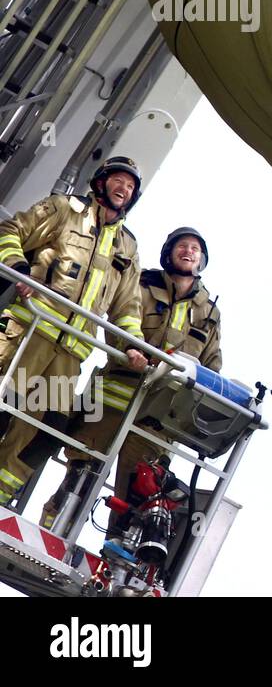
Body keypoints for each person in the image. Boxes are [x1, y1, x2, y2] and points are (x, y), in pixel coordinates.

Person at [42, 226, 222, 533]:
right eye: (182, 245)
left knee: (139, 489)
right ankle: (51, 531)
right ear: (169, 252)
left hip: (157, 417)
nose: (188, 251)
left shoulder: (209, 311)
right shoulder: (141, 283)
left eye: (195, 248)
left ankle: (112, 560)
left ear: (202, 260)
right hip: (113, 396)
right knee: (81, 473)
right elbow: (118, 321)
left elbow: (211, 366)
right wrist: (131, 350)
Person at [0, 156, 145, 509]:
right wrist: (20, 271)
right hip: (30, 332)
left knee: (42, 432)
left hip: (70, 355)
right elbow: (9, 231)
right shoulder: (65, 209)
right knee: (3, 405)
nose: (123, 189)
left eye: (130, 185)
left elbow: (127, 309)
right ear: (100, 182)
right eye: (118, 180)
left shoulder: (127, 247)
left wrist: (134, 347)